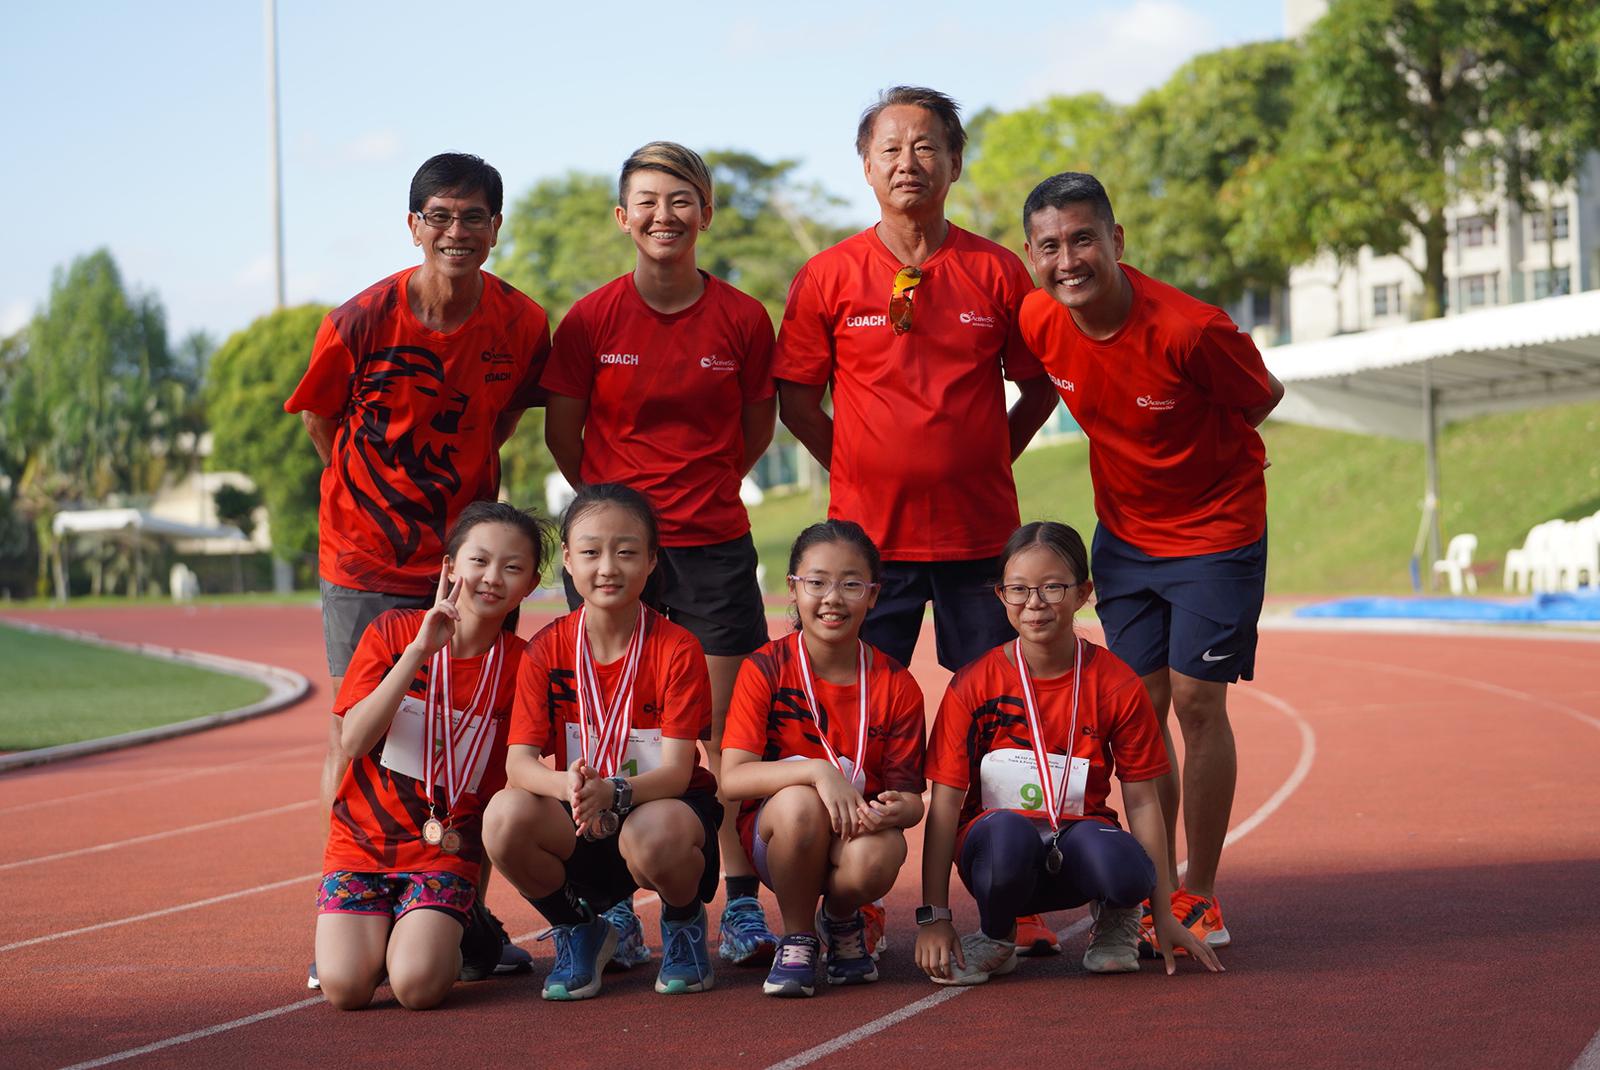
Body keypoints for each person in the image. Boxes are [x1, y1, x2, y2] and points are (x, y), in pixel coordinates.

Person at [775, 85, 1058, 954]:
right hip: (870, 553)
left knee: (1001, 730)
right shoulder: (828, 275)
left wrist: (985, 457)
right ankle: (851, 900)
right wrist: (857, 464)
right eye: (891, 148)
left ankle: (1013, 900)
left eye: (926, 146)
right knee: (853, 723)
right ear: (865, 167)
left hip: (980, 546)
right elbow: (794, 398)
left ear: (955, 162)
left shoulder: (996, 271)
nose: (909, 162)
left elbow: (1039, 384)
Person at [286, 152, 551, 983]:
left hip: (470, 565)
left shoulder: (521, 323)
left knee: (468, 747)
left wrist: (460, 535)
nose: (457, 232)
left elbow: (500, 419)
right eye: (440, 216)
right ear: (413, 226)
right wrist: (375, 500)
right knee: (365, 738)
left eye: (474, 217)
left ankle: (457, 916)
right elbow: (323, 424)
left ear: (496, 228)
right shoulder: (359, 319)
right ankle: (351, 900)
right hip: (366, 561)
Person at [1016, 172, 1284, 957]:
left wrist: (1195, 463)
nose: (1068, 260)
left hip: (1215, 530)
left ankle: (1200, 890)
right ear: (1033, 256)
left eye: (1083, 239)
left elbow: (1261, 394)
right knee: (1138, 709)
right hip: (1126, 538)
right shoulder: (1041, 318)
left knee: (1199, 703)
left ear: (1116, 241)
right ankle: (1156, 888)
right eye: (1050, 246)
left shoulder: (1192, 330)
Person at [541, 142, 778, 968]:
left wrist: (699, 493)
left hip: (712, 546)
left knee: (723, 737)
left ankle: (741, 903)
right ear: (621, 217)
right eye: (645, 201)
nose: (663, 216)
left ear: (705, 213)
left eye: (681, 200)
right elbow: (563, 437)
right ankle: (612, 910)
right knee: (607, 737)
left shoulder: (744, 319)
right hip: (616, 557)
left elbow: (755, 432)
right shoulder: (590, 320)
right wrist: (620, 521)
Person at [915, 522, 1223, 985]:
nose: (1034, 604)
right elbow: (943, 807)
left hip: (1078, 838)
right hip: (997, 851)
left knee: (1119, 863)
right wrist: (933, 917)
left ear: (1083, 593)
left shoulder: (1116, 683)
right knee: (1007, 836)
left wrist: (1160, 914)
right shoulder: (973, 684)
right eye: (1019, 589)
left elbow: (1142, 801)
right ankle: (998, 936)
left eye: (1052, 587)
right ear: (1001, 596)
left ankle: (1120, 916)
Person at [482, 484, 723, 1000]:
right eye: (591, 551)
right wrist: (566, 783)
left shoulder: (678, 648)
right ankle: (581, 929)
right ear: (567, 561)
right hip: (580, 810)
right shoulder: (547, 649)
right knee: (503, 818)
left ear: (652, 560)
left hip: (663, 808)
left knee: (654, 834)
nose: (608, 566)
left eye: (627, 551)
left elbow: (680, 772)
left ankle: (682, 924)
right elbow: (519, 764)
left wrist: (612, 791)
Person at [314, 501, 549, 1011]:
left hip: (444, 852)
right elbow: (352, 742)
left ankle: (461, 926)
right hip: (361, 846)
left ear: (530, 584)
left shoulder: (524, 664)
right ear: (449, 567)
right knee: (345, 990)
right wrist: (421, 650)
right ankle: (395, 932)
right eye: (479, 561)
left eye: (512, 568)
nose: (492, 578)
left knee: (416, 988)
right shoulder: (394, 632)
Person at [720, 520, 926, 997]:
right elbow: (732, 779)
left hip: (856, 831)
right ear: (793, 588)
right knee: (799, 803)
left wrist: (898, 810)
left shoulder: (895, 683)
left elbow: (913, 799)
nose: (832, 597)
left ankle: (840, 919)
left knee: (882, 853)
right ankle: (798, 935)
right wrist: (816, 772)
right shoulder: (765, 668)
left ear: (873, 595)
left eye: (851, 584)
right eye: (817, 582)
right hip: (780, 835)